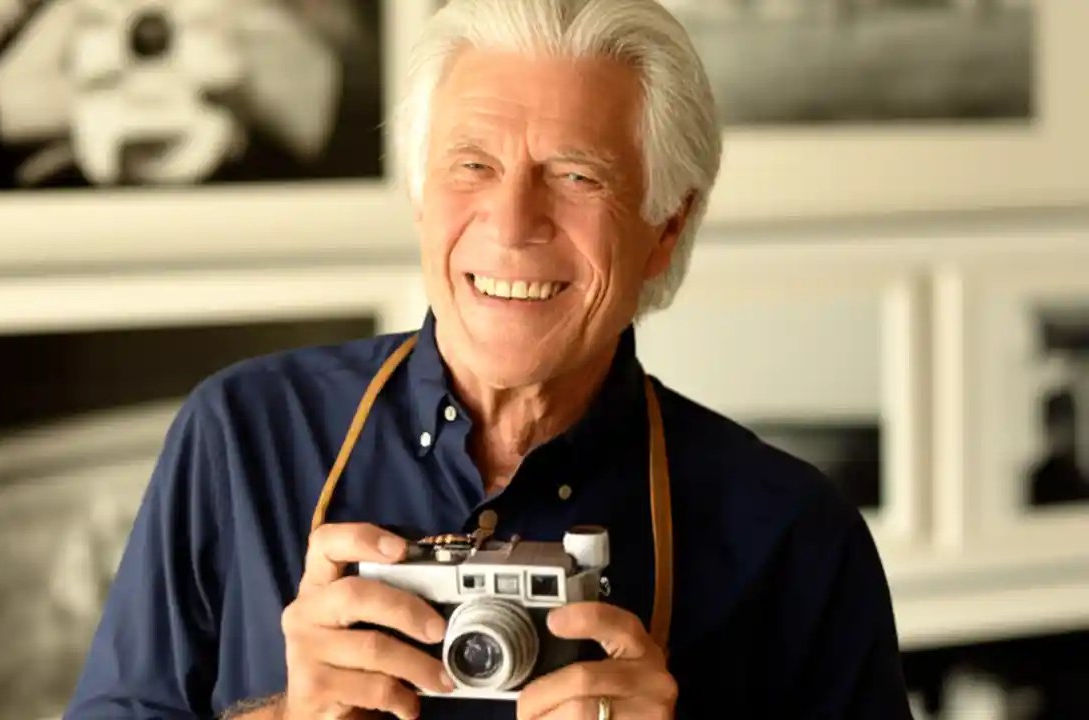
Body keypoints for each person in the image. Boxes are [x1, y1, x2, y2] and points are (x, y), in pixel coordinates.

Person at [64, 0, 914, 717]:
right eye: (472, 166)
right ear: (420, 196)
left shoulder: (795, 536)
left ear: (666, 228)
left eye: (577, 176)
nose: (511, 225)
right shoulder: (243, 436)